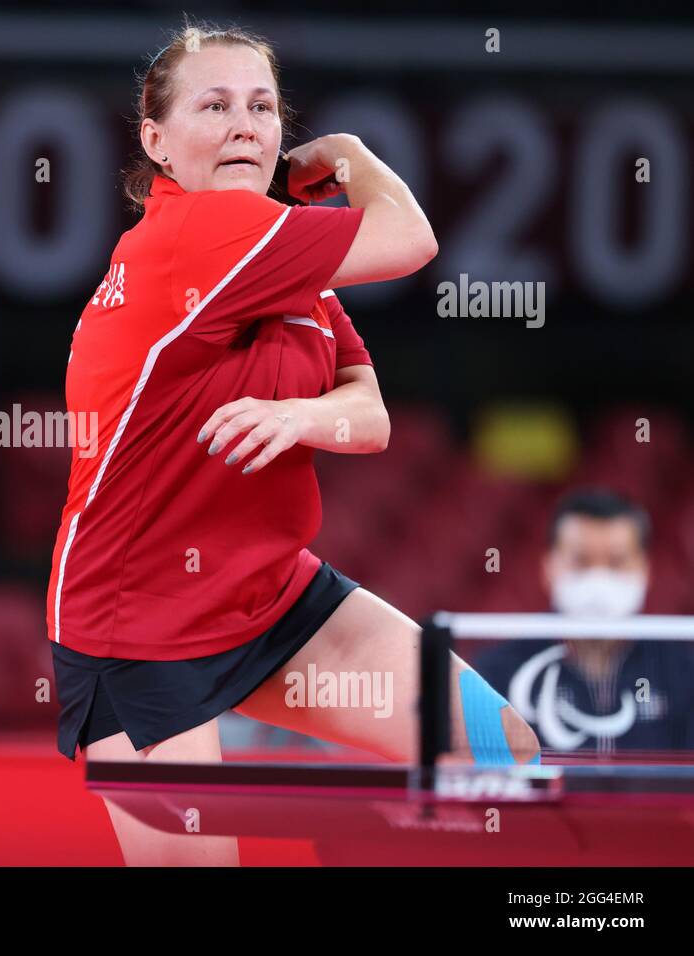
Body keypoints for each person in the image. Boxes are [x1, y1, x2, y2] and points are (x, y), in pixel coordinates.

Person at [43, 21, 539, 866]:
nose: (245, 125)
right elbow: (411, 237)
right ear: (157, 143)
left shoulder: (279, 253)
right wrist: (347, 156)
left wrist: (300, 419)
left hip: (271, 599)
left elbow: (371, 418)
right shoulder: (199, 236)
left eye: (262, 107)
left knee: (498, 753)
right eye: (215, 106)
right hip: (138, 629)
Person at [476, 489, 694, 756]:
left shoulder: (682, 672)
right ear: (548, 567)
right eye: (581, 561)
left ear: (645, 569)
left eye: (617, 562)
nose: (598, 580)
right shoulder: (498, 673)